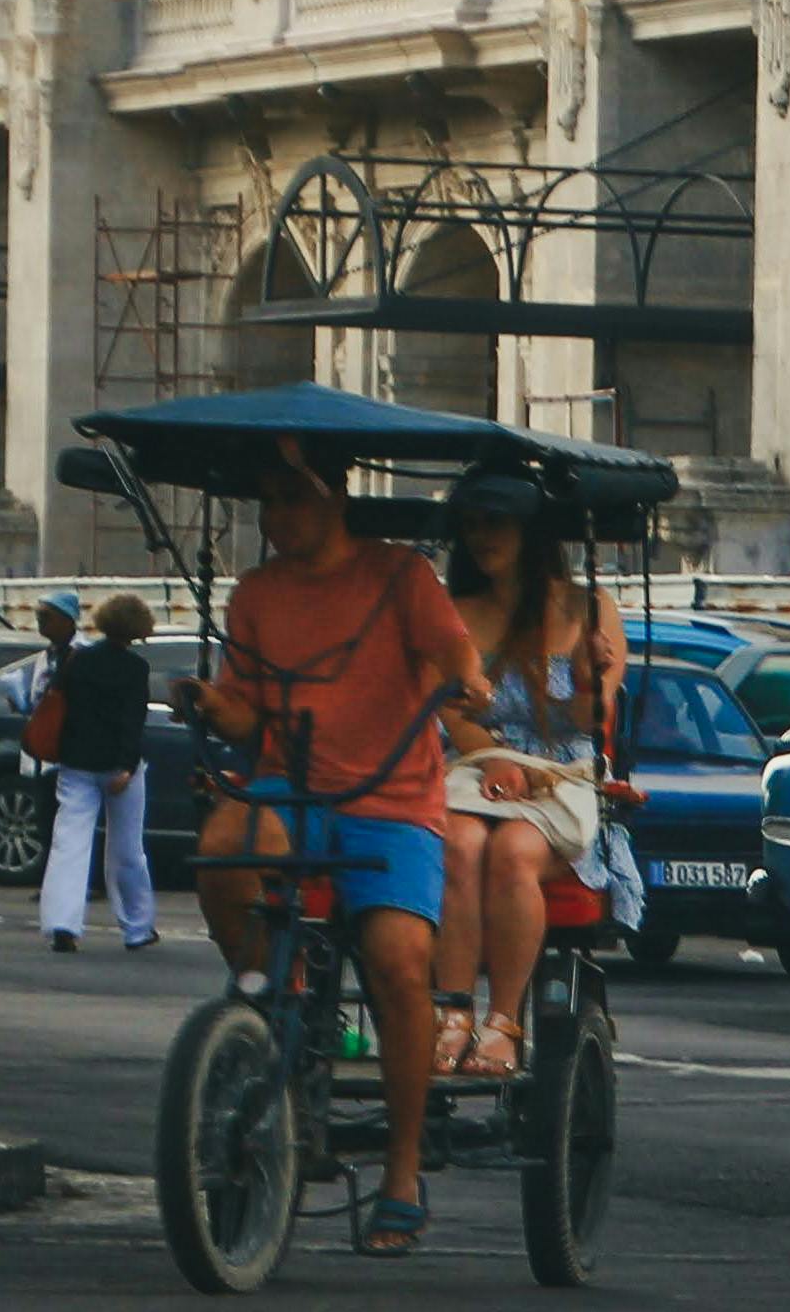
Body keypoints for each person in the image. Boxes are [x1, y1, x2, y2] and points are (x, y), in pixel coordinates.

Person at [183, 435, 494, 1256]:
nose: (273, 518)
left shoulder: (399, 576)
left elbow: (452, 647)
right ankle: (266, 988)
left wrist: (469, 676)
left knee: (396, 962)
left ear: (332, 500)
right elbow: (250, 716)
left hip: (393, 799)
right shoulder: (255, 593)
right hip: (294, 789)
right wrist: (215, 706)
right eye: (266, 504)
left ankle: (400, 1171)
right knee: (223, 841)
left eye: (288, 499)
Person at [425, 467, 618, 1083]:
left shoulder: (589, 609)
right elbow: (453, 714)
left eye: (498, 522)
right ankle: (452, 1009)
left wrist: (589, 676)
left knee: (511, 852)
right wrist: (495, 757)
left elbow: (595, 718)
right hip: (478, 766)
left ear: (531, 531)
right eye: (474, 524)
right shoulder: (454, 611)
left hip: (562, 775)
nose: (483, 536)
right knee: (458, 841)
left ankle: (503, 1021)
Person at [39, 594, 162, 954]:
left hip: (76, 764)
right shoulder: (135, 669)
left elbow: (58, 702)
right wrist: (125, 766)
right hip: (119, 767)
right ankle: (137, 927)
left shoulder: (78, 660)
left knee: (69, 843)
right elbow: (132, 723)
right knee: (126, 849)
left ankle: (63, 924)